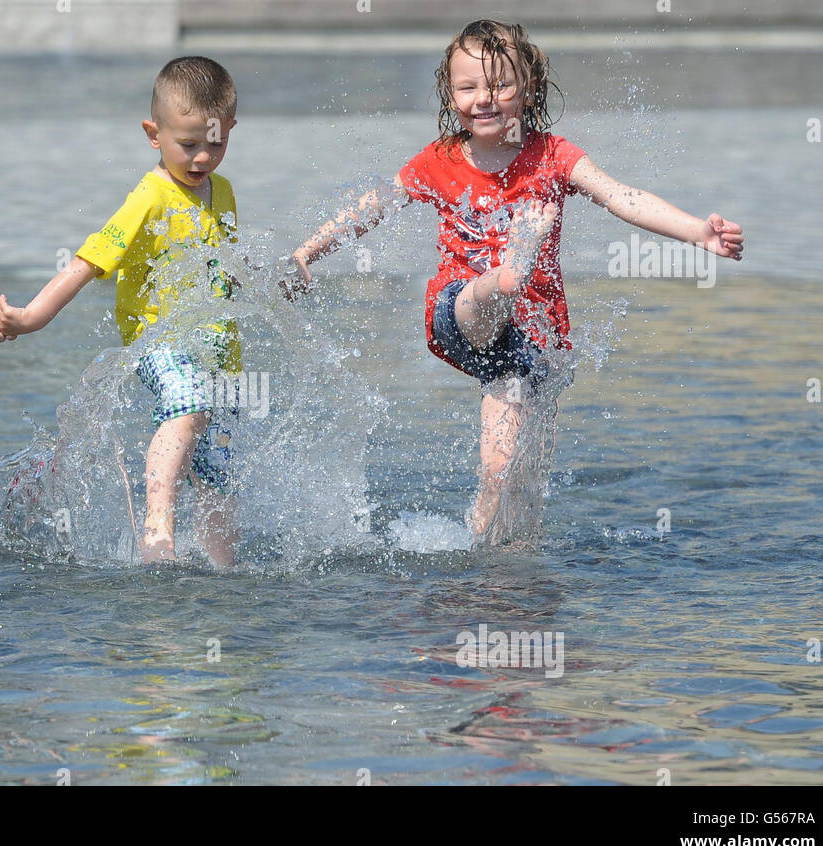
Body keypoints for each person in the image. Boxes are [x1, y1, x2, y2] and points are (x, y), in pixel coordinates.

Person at [287, 19, 744, 543]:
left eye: (500, 85)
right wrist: (306, 254)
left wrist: (698, 234)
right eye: (468, 87)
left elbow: (623, 197)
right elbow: (372, 207)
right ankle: (505, 274)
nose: (484, 99)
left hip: (533, 340)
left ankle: (501, 575)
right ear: (449, 93)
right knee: (481, 296)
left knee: (509, 476)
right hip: (460, 314)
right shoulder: (440, 160)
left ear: (527, 92)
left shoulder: (552, 156)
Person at [0, 57, 240, 566]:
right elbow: (86, 263)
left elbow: (225, 265)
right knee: (187, 408)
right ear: (153, 134)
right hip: (159, 340)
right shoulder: (150, 196)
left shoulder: (224, 193)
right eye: (188, 144)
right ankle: (157, 531)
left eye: (217, 142)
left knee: (218, 463)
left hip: (218, 352)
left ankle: (223, 566)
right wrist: (30, 318)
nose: (203, 156)